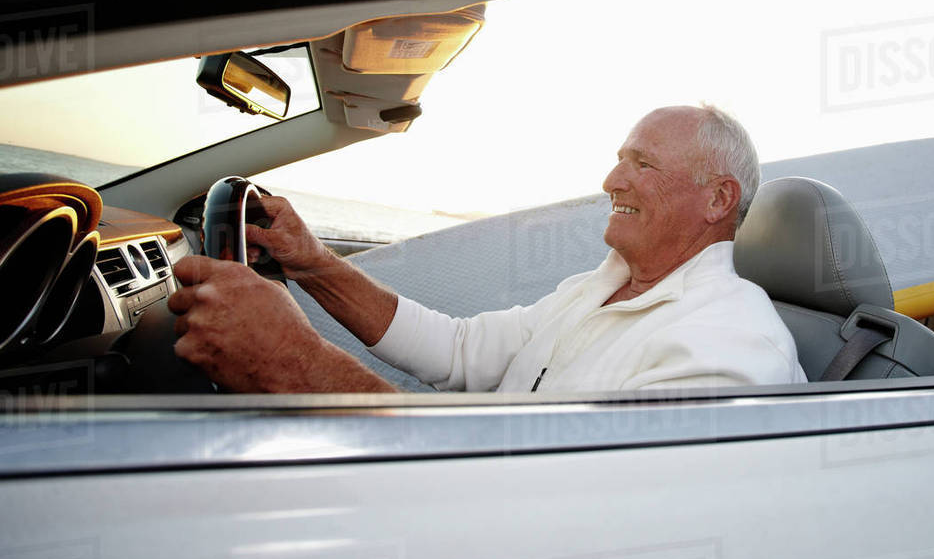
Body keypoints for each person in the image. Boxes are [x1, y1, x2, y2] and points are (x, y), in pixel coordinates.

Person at [169, 105, 806, 392]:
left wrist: (294, 361)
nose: (613, 181)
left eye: (642, 164)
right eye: (618, 162)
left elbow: (538, 509)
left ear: (718, 199)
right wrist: (313, 263)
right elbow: (458, 351)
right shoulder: (602, 286)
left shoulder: (729, 346)